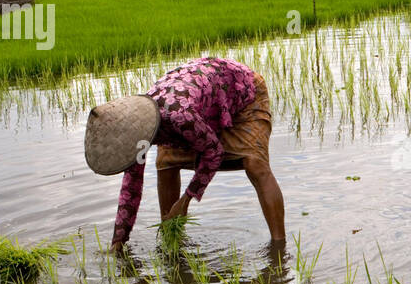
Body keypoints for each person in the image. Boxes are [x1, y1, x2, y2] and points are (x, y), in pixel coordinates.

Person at [84, 56, 285, 251]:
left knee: (255, 163)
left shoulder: (179, 116)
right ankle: (172, 243)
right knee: (166, 163)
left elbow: (213, 152)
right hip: (199, 106)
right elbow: (132, 186)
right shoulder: (137, 132)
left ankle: (279, 248)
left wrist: (186, 199)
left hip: (240, 90)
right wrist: (118, 242)